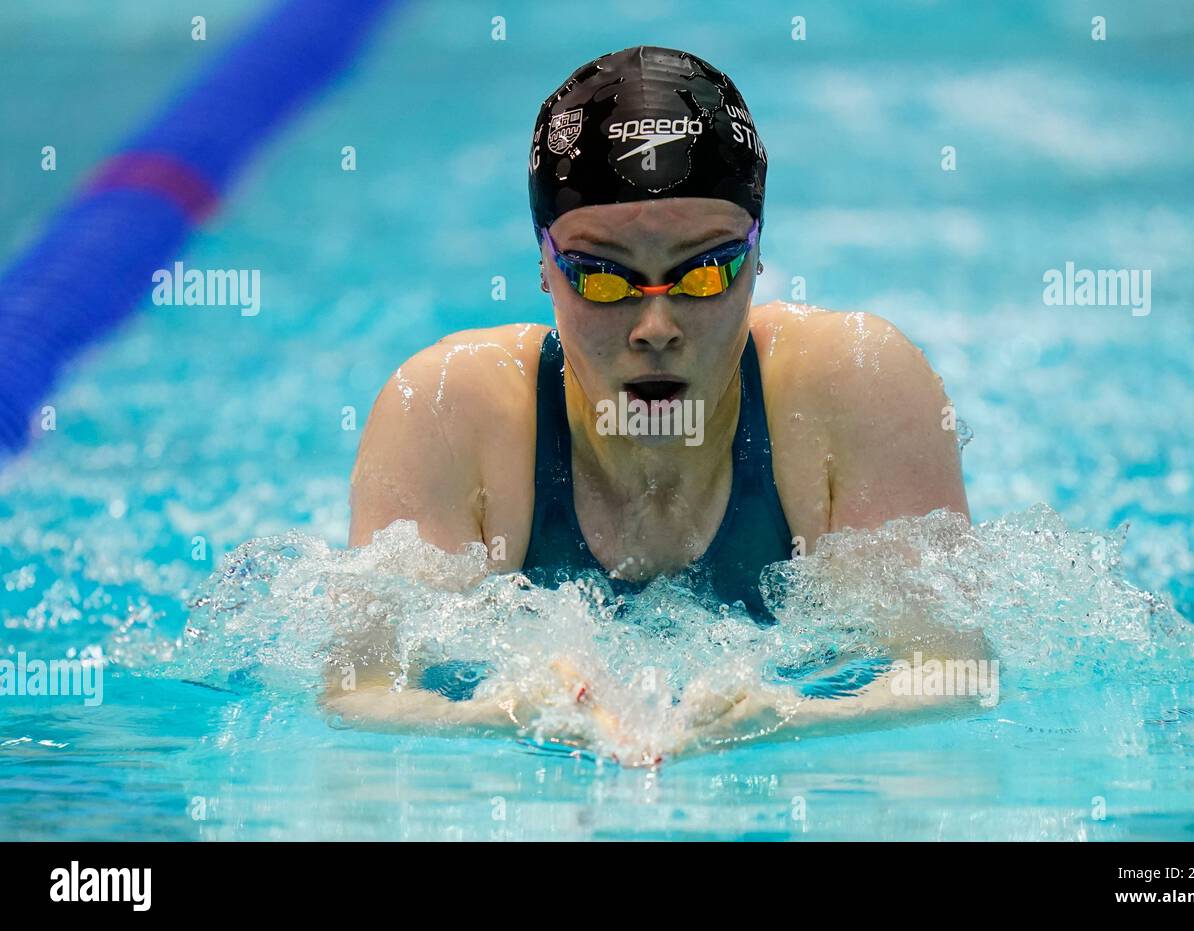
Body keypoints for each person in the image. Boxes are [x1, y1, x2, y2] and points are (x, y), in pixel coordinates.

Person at [329, 46, 979, 763]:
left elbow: (955, 674)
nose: (656, 327)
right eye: (604, 279)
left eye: (705, 271)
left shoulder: (857, 386)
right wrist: (505, 714)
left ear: (758, 257)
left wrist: (787, 716)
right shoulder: (447, 409)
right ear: (545, 266)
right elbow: (360, 695)